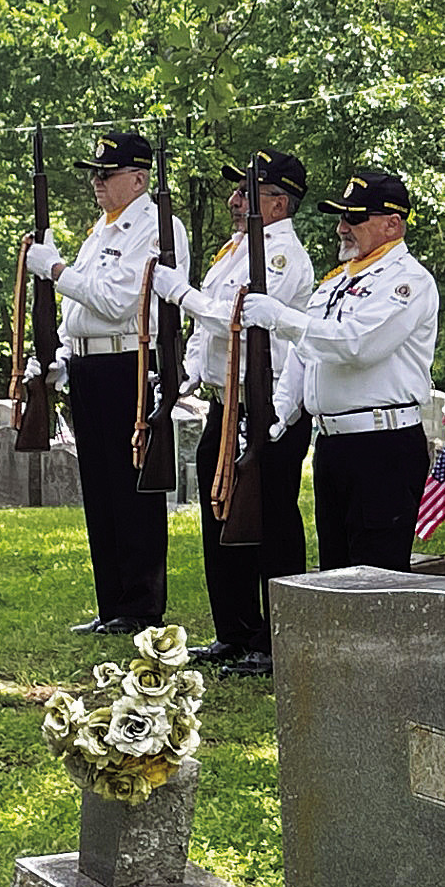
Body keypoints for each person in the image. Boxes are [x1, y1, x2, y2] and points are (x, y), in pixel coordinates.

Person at [150, 149, 315, 677]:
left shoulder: (285, 257)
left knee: (270, 521)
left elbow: (236, 319)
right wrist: (186, 377)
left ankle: (275, 637)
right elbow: (209, 337)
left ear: (278, 203)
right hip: (225, 402)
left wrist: (185, 296)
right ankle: (234, 629)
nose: (235, 200)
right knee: (221, 514)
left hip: (267, 408)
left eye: (248, 192)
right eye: (238, 190)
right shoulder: (236, 249)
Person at [23, 131, 189, 635]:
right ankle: (111, 603)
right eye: (95, 174)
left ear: (138, 179)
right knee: (99, 488)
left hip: (128, 367)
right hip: (91, 367)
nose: (96, 182)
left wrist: (53, 268)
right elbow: (82, 309)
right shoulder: (103, 228)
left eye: (106, 174)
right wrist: (60, 360)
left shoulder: (156, 228)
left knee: (130, 486)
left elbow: (117, 303)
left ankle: (141, 605)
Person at [242, 170, 437, 573]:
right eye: (341, 217)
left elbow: (356, 345)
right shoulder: (335, 283)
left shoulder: (409, 282)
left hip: (382, 445)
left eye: (354, 219)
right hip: (333, 445)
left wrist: (280, 317)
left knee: (375, 575)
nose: (341, 228)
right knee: (336, 570)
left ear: (392, 224)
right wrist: (281, 408)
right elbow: (305, 353)